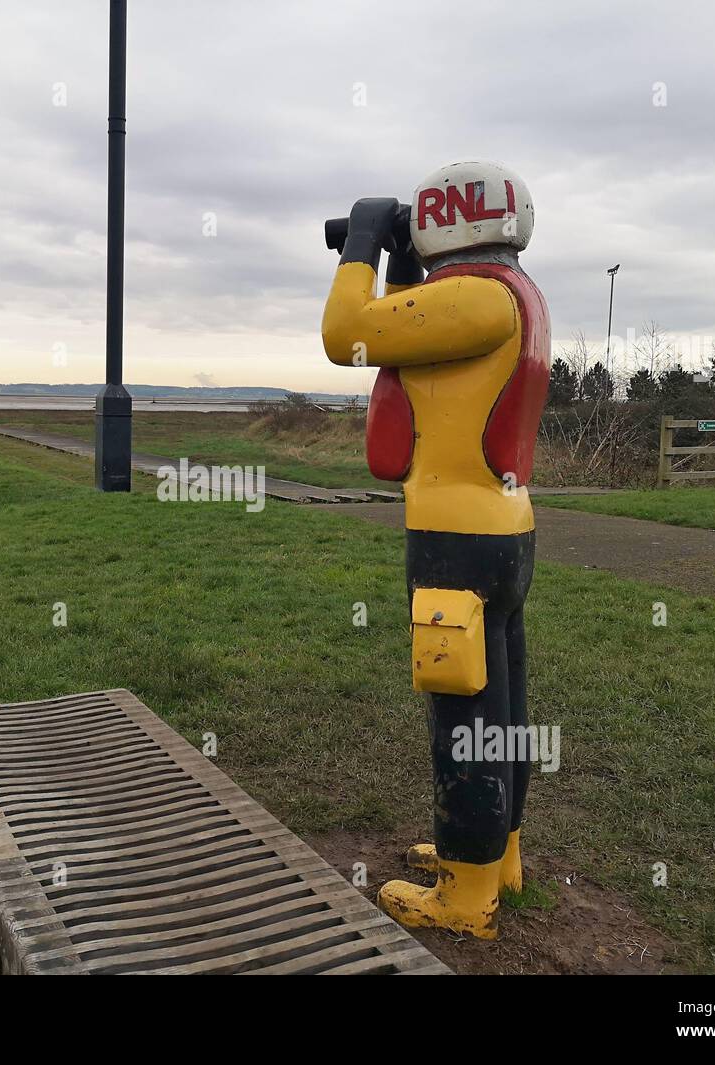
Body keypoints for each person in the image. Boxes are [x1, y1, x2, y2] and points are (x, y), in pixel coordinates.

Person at [321, 160, 550, 939]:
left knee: (463, 708)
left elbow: (346, 334)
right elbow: (411, 327)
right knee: (503, 703)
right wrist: (402, 266)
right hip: (504, 527)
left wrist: (360, 240)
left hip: (457, 537)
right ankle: (499, 857)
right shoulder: (511, 295)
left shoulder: (475, 298)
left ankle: (463, 893)